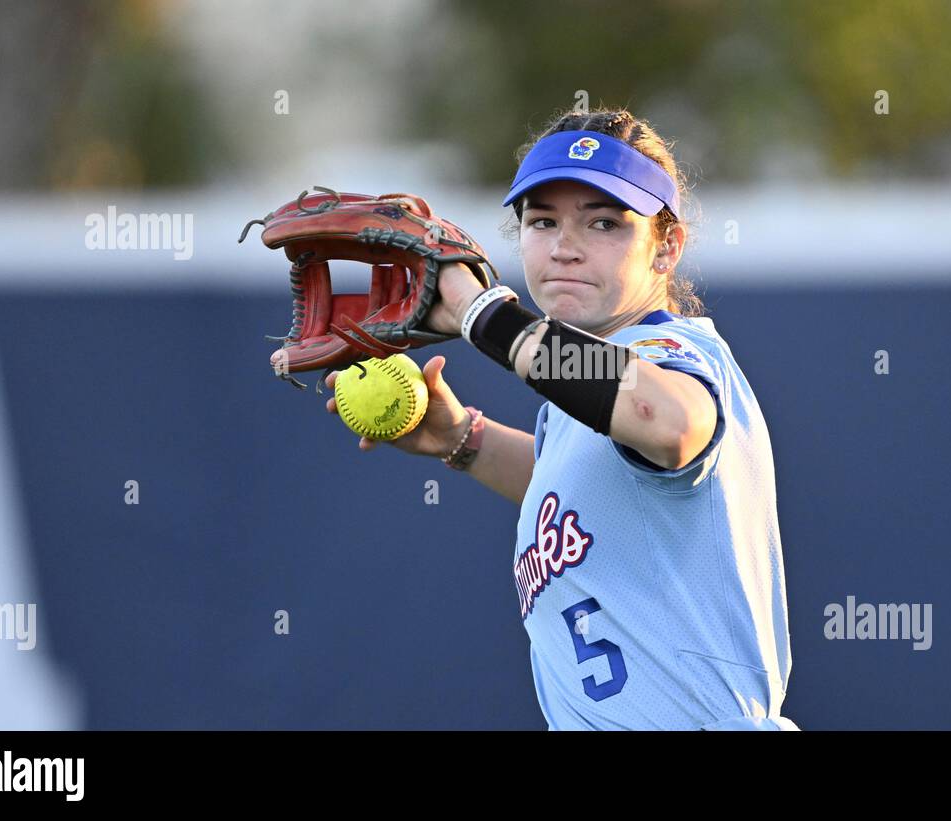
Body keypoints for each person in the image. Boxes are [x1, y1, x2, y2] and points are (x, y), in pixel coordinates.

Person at [326, 108, 797, 730]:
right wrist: (465, 440)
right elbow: (595, 498)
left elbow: (665, 419)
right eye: (542, 221)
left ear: (667, 247)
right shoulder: (578, 408)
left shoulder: (674, 355)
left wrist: (484, 316)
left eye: (604, 223)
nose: (565, 248)